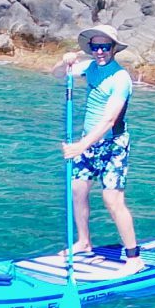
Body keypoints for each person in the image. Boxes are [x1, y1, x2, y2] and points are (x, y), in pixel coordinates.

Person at [53, 24, 142, 273]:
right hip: (88, 141)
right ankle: (84, 242)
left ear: (113, 48)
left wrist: (80, 146)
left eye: (105, 47)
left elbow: (109, 121)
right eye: (95, 47)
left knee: (112, 199)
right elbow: (58, 75)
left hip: (113, 144)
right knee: (77, 189)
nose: (100, 51)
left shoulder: (120, 78)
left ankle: (134, 258)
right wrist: (65, 62)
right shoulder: (90, 67)